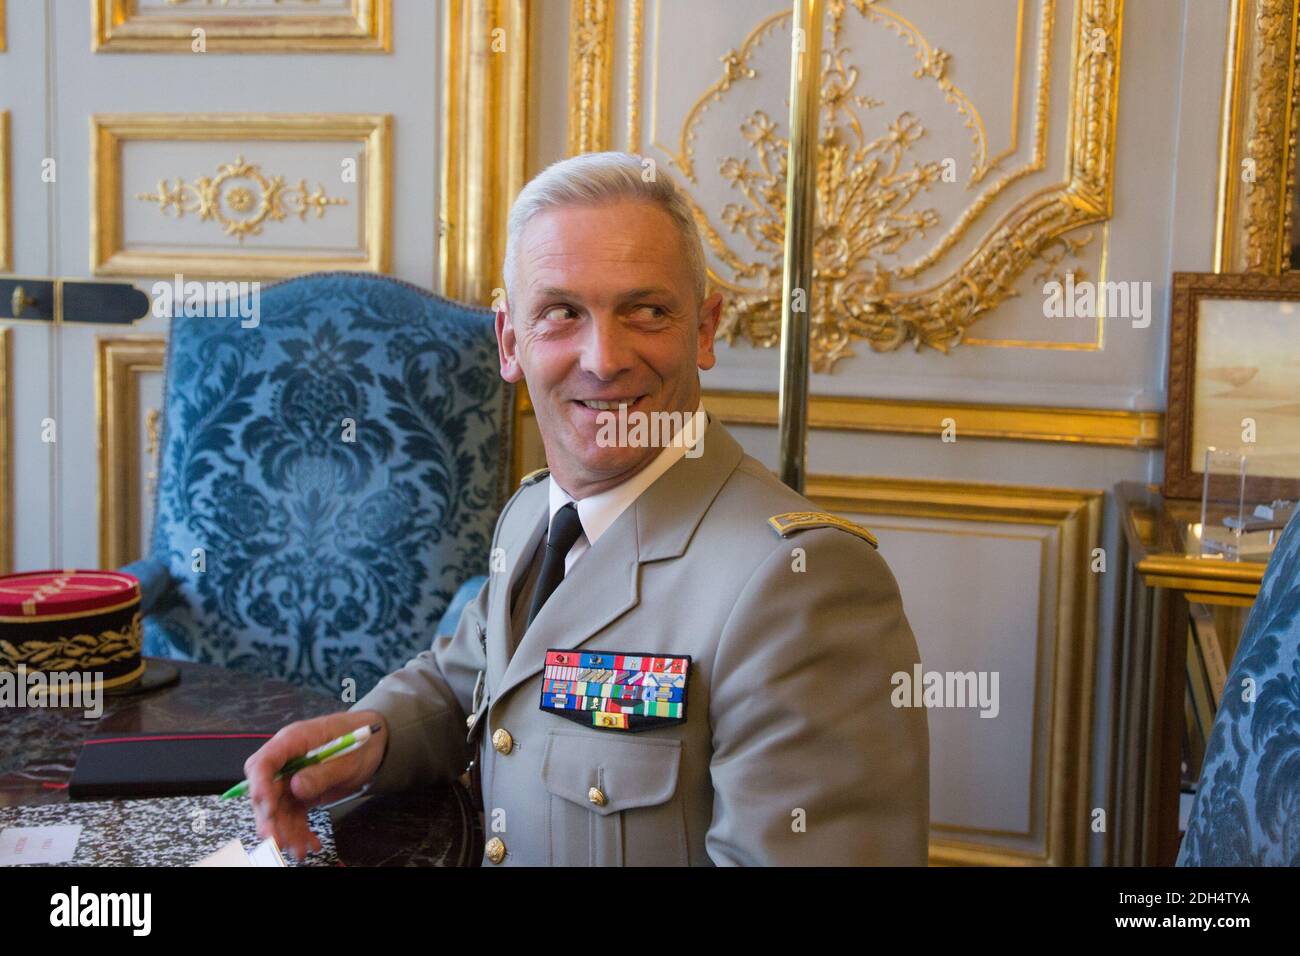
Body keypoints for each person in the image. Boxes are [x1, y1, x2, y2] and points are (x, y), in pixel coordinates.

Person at [245, 151, 929, 866]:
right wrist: (370, 736)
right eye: (562, 313)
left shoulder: (800, 580)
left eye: (647, 311)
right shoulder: (534, 511)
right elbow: (475, 680)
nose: (604, 359)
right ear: (511, 342)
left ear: (704, 330)